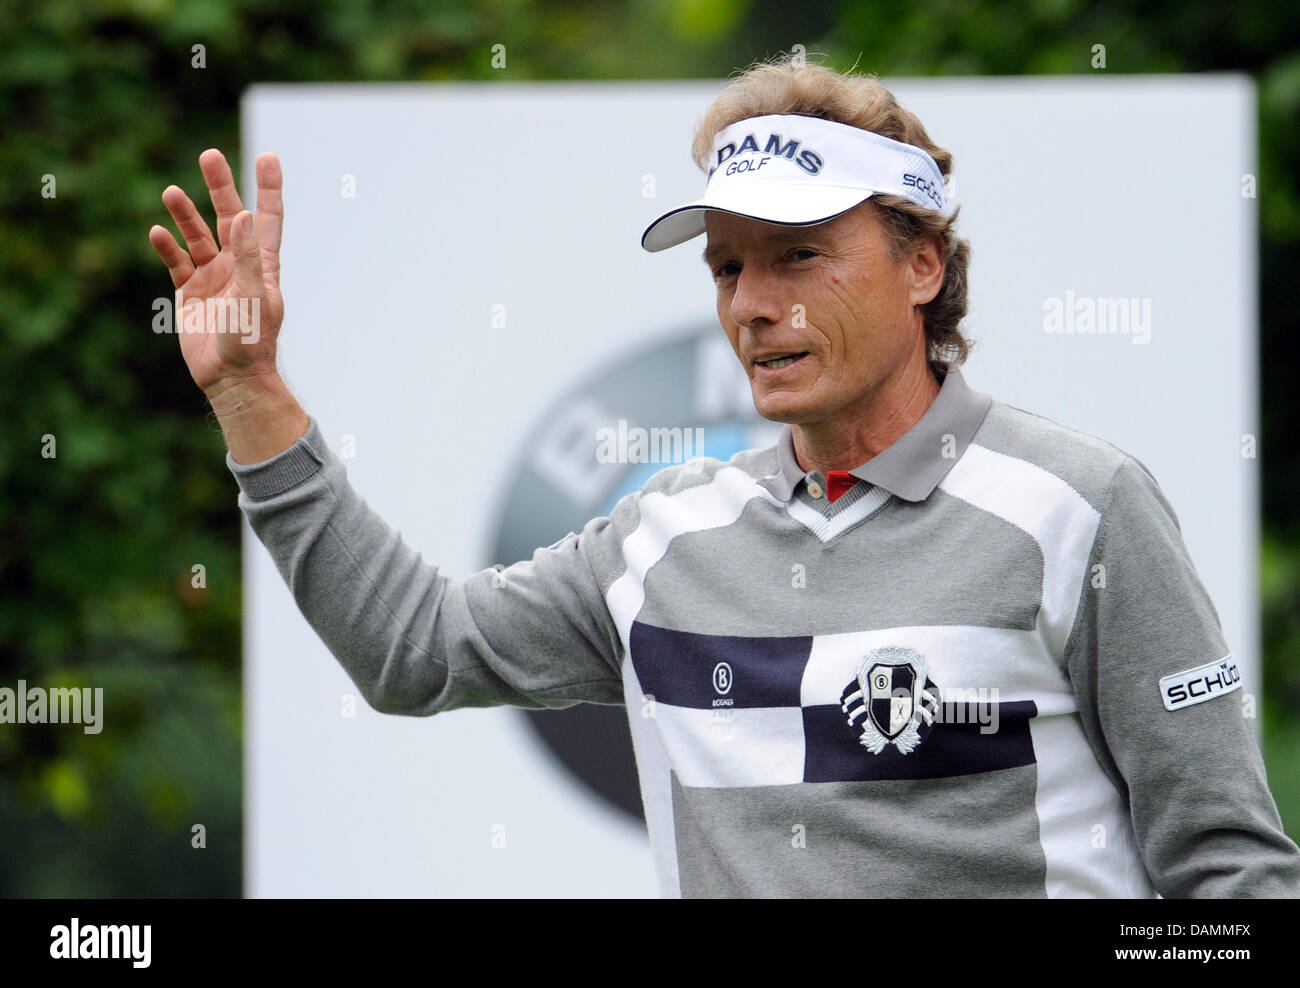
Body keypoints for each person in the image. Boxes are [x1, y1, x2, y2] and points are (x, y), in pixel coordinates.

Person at [148, 56, 1300, 898]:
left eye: (799, 255)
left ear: (921, 264)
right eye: (728, 265)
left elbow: (1231, 876)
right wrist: (252, 393)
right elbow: (412, 651)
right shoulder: (660, 538)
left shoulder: (1084, 504)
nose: (752, 304)